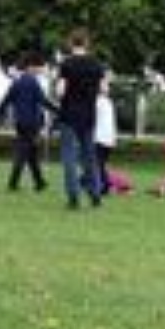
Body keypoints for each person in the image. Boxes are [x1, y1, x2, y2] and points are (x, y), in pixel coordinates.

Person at [0, 52, 57, 192]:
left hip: (20, 122)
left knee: (31, 152)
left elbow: (6, 100)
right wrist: (59, 110)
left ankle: (39, 182)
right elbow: (43, 100)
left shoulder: (17, 82)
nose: (41, 69)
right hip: (32, 123)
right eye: (39, 66)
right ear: (31, 67)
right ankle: (13, 183)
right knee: (23, 152)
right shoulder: (32, 82)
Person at [55, 31, 105, 210]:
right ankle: (95, 194)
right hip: (88, 115)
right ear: (87, 43)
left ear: (71, 43)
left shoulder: (66, 64)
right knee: (89, 156)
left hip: (69, 114)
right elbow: (104, 89)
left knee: (69, 156)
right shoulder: (97, 65)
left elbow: (60, 90)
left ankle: (74, 196)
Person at [94, 75, 118, 197]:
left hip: (100, 137)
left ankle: (105, 185)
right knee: (100, 163)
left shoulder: (97, 102)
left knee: (98, 163)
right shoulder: (108, 102)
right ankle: (103, 184)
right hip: (108, 138)